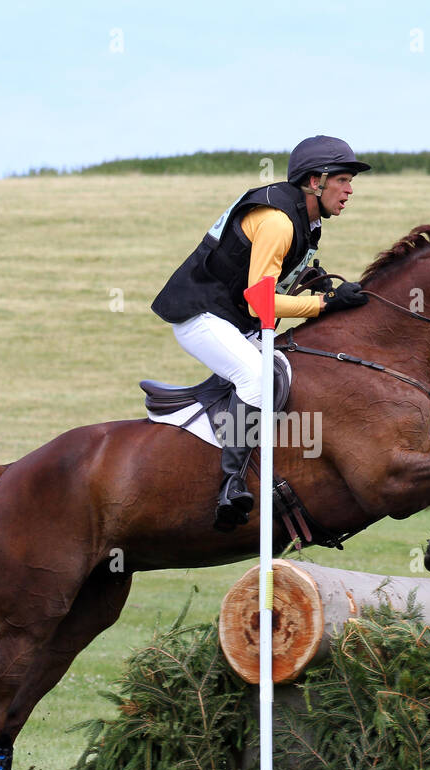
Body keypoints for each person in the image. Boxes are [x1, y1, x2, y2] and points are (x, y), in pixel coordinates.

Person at [151, 135, 370, 530]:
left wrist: (319, 283)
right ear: (315, 181)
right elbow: (261, 303)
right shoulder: (278, 221)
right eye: (343, 179)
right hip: (201, 316)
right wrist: (325, 304)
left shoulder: (306, 218)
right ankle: (230, 485)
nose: (350, 189)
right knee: (255, 378)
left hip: (234, 317)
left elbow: (284, 274)